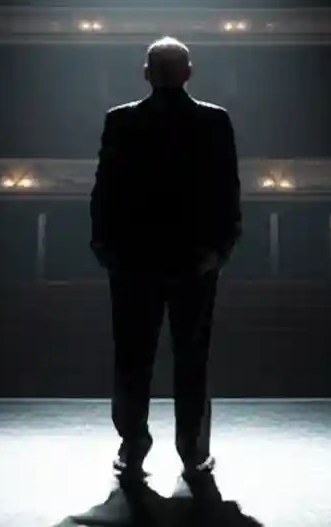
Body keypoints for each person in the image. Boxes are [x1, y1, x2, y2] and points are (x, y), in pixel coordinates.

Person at [89, 36, 243, 481]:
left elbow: (106, 191)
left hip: (133, 261)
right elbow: (226, 191)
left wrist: (105, 248)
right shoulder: (215, 121)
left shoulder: (120, 122)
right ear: (188, 72)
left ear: (146, 73)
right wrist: (220, 249)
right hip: (195, 260)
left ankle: (133, 446)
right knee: (192, 359)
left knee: (132, 358)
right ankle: (192, 452)